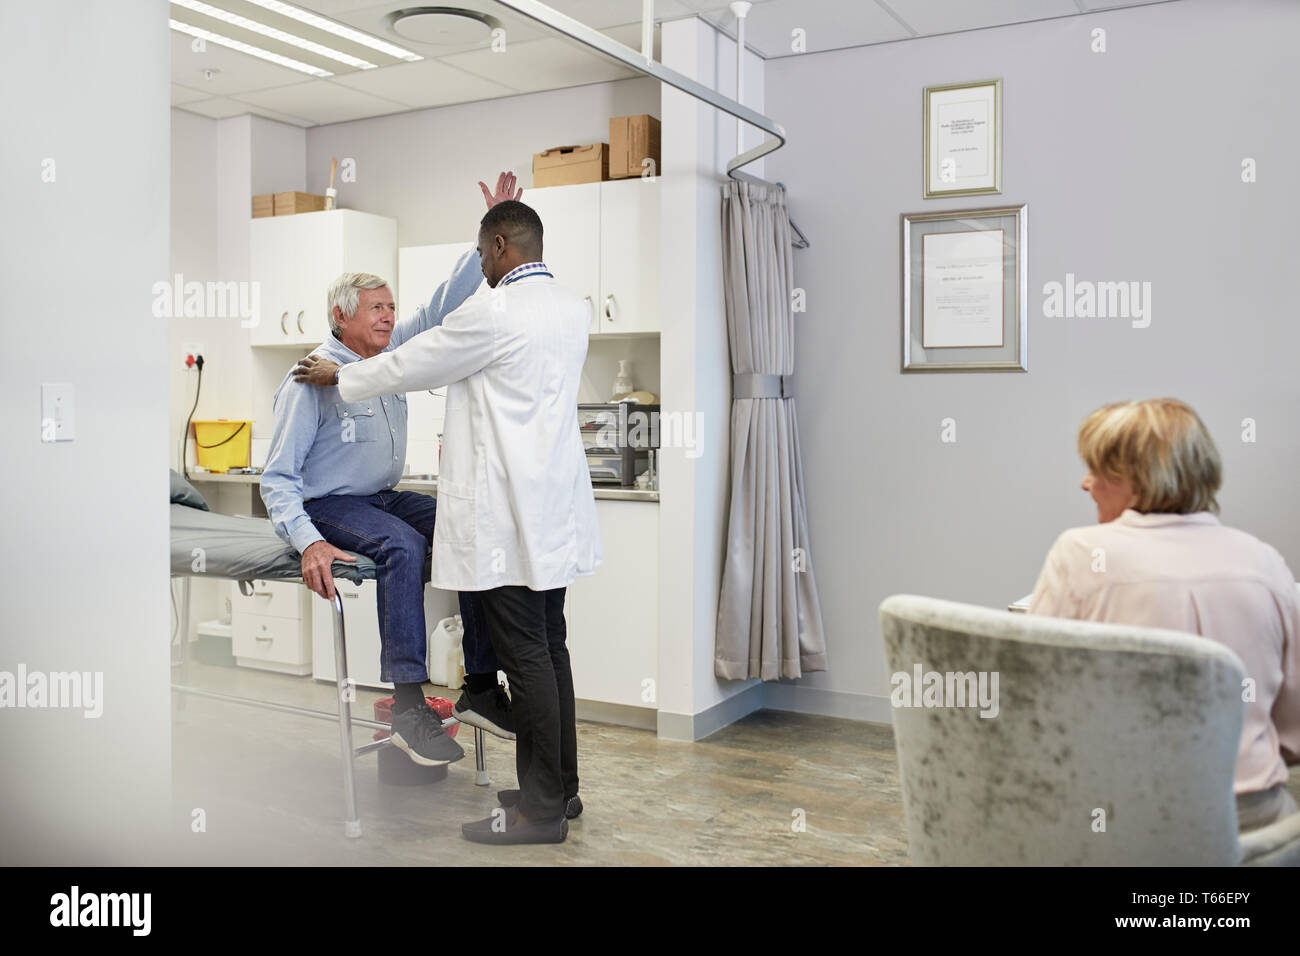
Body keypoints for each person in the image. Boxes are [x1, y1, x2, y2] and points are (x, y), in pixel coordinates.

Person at [293, 199, 601, 845]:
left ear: (495, 249)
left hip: (506, 518)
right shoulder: (572, 309)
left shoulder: (493, 312)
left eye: (482, 253)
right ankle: (561, 791)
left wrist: (339, 374)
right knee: (552, 650)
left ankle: (541, 813)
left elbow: (416, 357)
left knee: (530, 661)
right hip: (553, 513)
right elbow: (428, 335)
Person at [262, 173, 526, 769]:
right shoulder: (313, 376)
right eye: (377, 309)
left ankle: (480, 685)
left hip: (381, 497)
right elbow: (277, 480)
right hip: (331, 505)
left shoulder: (386, 357)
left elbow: (439, 308)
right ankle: (408, 704)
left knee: (469, 521)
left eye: (389, 308)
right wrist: (308, 542)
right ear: (342, 314)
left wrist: (486, 235)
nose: (388, 317)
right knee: (404, 546)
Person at [1029, 398, 1300, 831]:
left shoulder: (1080, 552)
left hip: (1122, 820)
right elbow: (1293, 729)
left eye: (1098, 469)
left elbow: (1033, 705)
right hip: (1253, 824)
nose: (1086, 483)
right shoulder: (1265, 561)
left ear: (1139, 479)